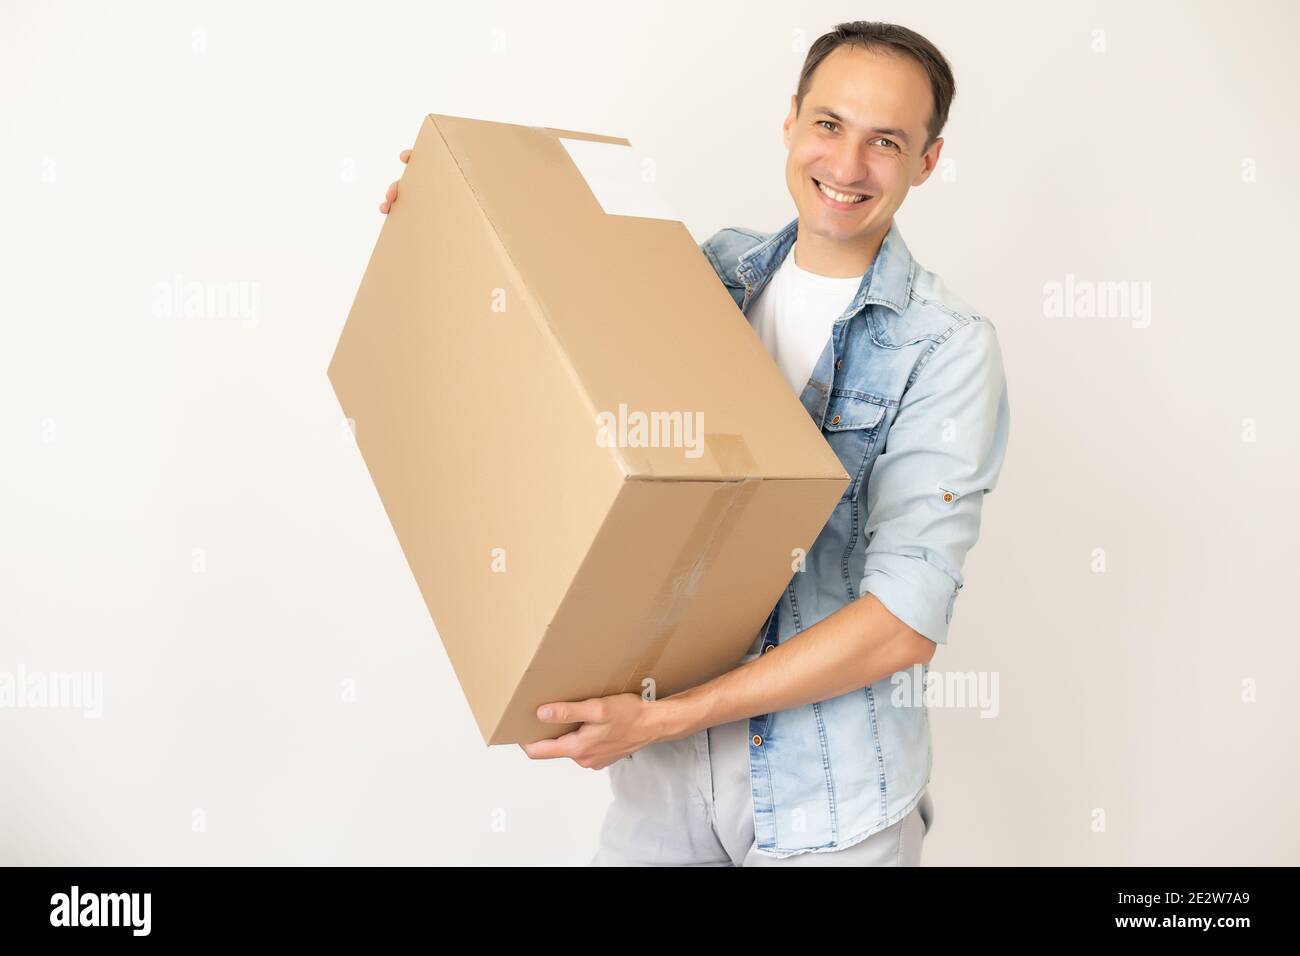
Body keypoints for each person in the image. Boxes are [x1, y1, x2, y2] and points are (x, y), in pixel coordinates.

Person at [380, 21, 1010, 866]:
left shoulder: (947, 344)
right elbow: (548, 373)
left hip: (831, 796)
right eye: (829, 124)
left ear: (926, 161)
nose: (848, 165)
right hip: (663, 785)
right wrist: (451, 224)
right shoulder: (712, 271)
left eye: (886, 141)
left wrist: (666, 714)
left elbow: (902, 623)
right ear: (790, 121)